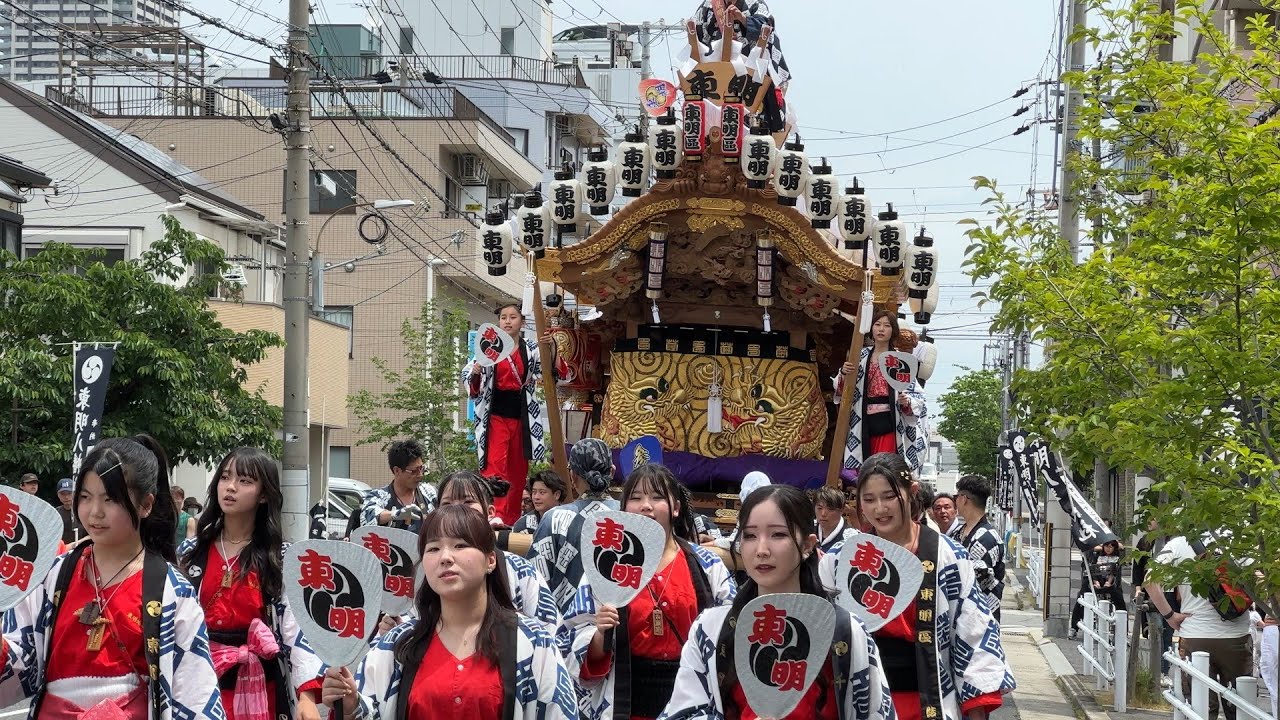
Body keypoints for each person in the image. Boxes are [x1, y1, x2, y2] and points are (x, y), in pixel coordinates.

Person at [0, 435, 224, 718]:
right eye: (85, 497)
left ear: (146, 505)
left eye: (110, 499)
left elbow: (194, 692)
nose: (95, 512)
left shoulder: (172, 590)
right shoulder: (52, 575)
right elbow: (21, 663)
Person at [660, 484, 895, 720]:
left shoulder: (844, 629)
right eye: (750, 536)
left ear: (807, 545)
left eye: (778, 534)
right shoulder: (711, 628)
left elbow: (874, 712)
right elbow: (683, 711)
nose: (761, 549)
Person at [320, 505, 578, 719]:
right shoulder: (397, 645)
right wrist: (352, 704)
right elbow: (371, 709)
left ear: (490, 560)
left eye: (459, 545)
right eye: (433, 548)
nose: (445, 557)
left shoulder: (532, 642)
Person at [828, 452, 1015, 720]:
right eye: (868, 500)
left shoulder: (948, 556)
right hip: (864, 701)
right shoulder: (842, 558)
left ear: (911, 491)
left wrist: (976, 712)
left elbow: (973, 636)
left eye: (889, 496)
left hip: (929, 698)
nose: (879, 509)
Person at [564, 464, 736, 720]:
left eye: (657, 497)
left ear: (675, 507)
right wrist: (599, 634)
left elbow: (729, 629)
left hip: (692, 696)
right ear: (624, 508)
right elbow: (574, 634)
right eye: (636, 498)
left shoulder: (706, 565)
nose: (646, 505)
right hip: (626, 698)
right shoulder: (606, 566)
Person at [177, 447, 324, 720]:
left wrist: (307, 695)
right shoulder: (190, 552)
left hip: (259, 684)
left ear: (264, 494)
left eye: (244, 481)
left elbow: (295, 629)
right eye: (224, 477)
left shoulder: (280, 558)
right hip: (197, 679)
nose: (230, 487)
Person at [433, 471, 562, 636]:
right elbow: (414, 622)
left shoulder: (521, 571)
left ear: (490, 512)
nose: (458, 511)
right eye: (447, 504)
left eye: (468, 502)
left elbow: (551, 634)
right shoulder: (429, 567)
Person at [464, 303, 555, 525]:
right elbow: (470, 376)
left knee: (517, 470)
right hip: (494, 415)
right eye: (503, 317)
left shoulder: (531, 348)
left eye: (513, 317)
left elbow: (550, 371)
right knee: (495, 466)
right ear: (498, 322)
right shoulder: (489, 347)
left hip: (521, 416)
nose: (507, 321)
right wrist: (475, 372)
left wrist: (550, 347)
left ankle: (512, 519)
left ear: (521, 322)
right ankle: (492, 515)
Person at [1145, 533, 1252, 720]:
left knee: (1201, 708)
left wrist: (1170, 616)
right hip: (1237, 637)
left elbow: (1149, 580)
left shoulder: (1180, 543)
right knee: (1240, 708)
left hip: (1194, 635)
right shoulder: (1242, 538)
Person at [530, 438, 621, 613]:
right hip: (617, 625)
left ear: (573, 476)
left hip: (566, 626)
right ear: (612, 471)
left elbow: (536, 581)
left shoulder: (554, 518)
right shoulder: (628, 516)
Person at [836, 310, 928, 476]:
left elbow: (917, 396)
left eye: (886, 325)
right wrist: (844, 373)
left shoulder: (900, 359)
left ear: (893, 330)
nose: (881, 329)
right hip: (863, 419)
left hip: (890, 420)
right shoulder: (860, 355)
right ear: (871, 328)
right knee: (865, 469)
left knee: (884, 467)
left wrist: (906, 401)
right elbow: (844, 389)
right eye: (877, 324)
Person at [953, 475, 1006, 622]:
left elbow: (973, 579)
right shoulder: (960, 531)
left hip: (980, 617)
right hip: (962, 615)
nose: (955, 501)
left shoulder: (986, 537)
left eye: (956, 497)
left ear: (963, 499)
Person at [358, 439, 438, 534]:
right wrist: (395, 514)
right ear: (397, 471)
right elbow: (368, 514)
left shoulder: (429, 492)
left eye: (421, 468)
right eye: (414, 471)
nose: (420, 474)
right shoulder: (378, 496)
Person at [1070, 540, 1125, 640]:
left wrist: (1109, 582)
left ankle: (1123, 633)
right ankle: (1074, 627)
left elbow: (1114, 572)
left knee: (1120, 603)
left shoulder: (1117, 558)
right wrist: (1095, 582)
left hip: (1110, 583)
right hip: (1094, 581)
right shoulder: (1096, 555)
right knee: (1081, 598)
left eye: (1111, 547)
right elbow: (1091, 568)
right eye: (1106, 546)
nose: (1108, 549)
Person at [514, 469, 567, 535]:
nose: (536, 497)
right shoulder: (523, 524)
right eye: (534, 492)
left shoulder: (570, 520)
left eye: (542, 492)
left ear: (557, 495)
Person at [814, 486, 855, 555]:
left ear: (841, 510)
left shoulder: (852, 538)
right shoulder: (807, 529)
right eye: (819, 508)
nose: (823, 514)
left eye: (830, 509)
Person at [55, 477, 84, 544]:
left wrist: (77, 543)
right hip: (62, 551)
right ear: (58, 495)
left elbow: (91, 535)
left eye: (69, 493)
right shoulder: (56, 513)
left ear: (75, 493)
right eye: (63, 494)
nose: (66, 497)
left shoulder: (83, 511)